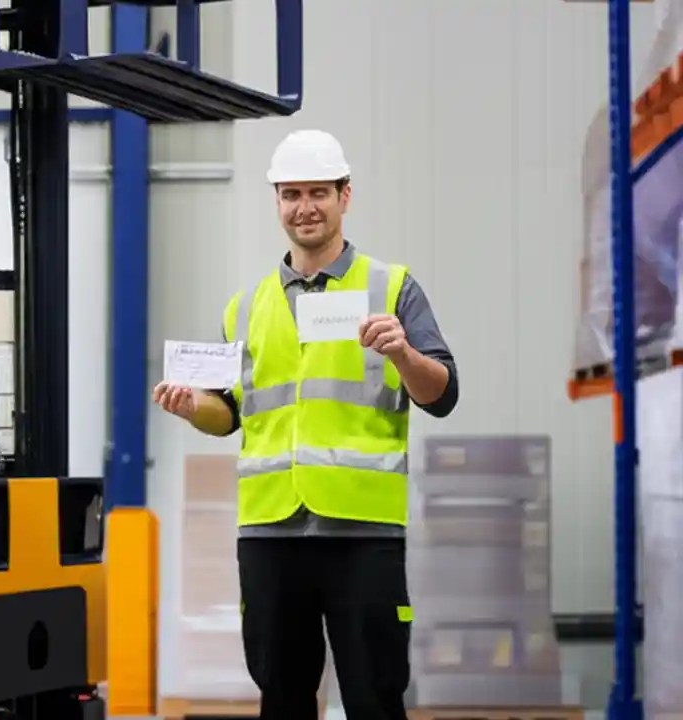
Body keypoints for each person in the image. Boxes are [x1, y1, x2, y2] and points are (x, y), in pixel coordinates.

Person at [152, 129, 458, 720]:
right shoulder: (246, 306)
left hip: (362, 531)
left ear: (346, 196)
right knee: (282, 697)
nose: (305, 207)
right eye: (291, 194)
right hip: (271, 531)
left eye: (319, 191)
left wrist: (403, 354)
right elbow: (230, 414)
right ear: (277, 202)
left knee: (374, 694)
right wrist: (195, 408)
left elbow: (441, 394)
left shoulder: (391, 288)